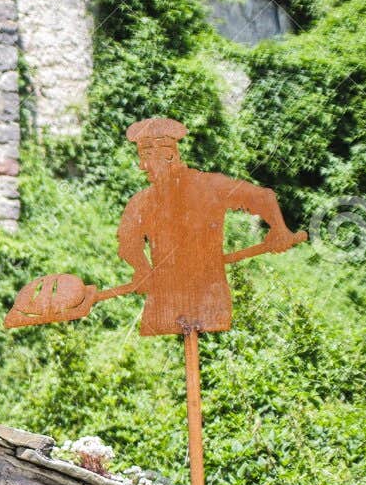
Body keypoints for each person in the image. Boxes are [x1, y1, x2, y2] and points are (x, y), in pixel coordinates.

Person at [118, 117, 296, 336]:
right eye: (141, 157)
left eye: (147, 157)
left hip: (209, 300)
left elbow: (263, 197)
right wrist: (143, 271)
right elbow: (128, 245)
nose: (142, 166)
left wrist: (279, 229)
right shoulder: (141, 202)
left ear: (170, 155)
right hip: (165, 303)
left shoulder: (209, 186)